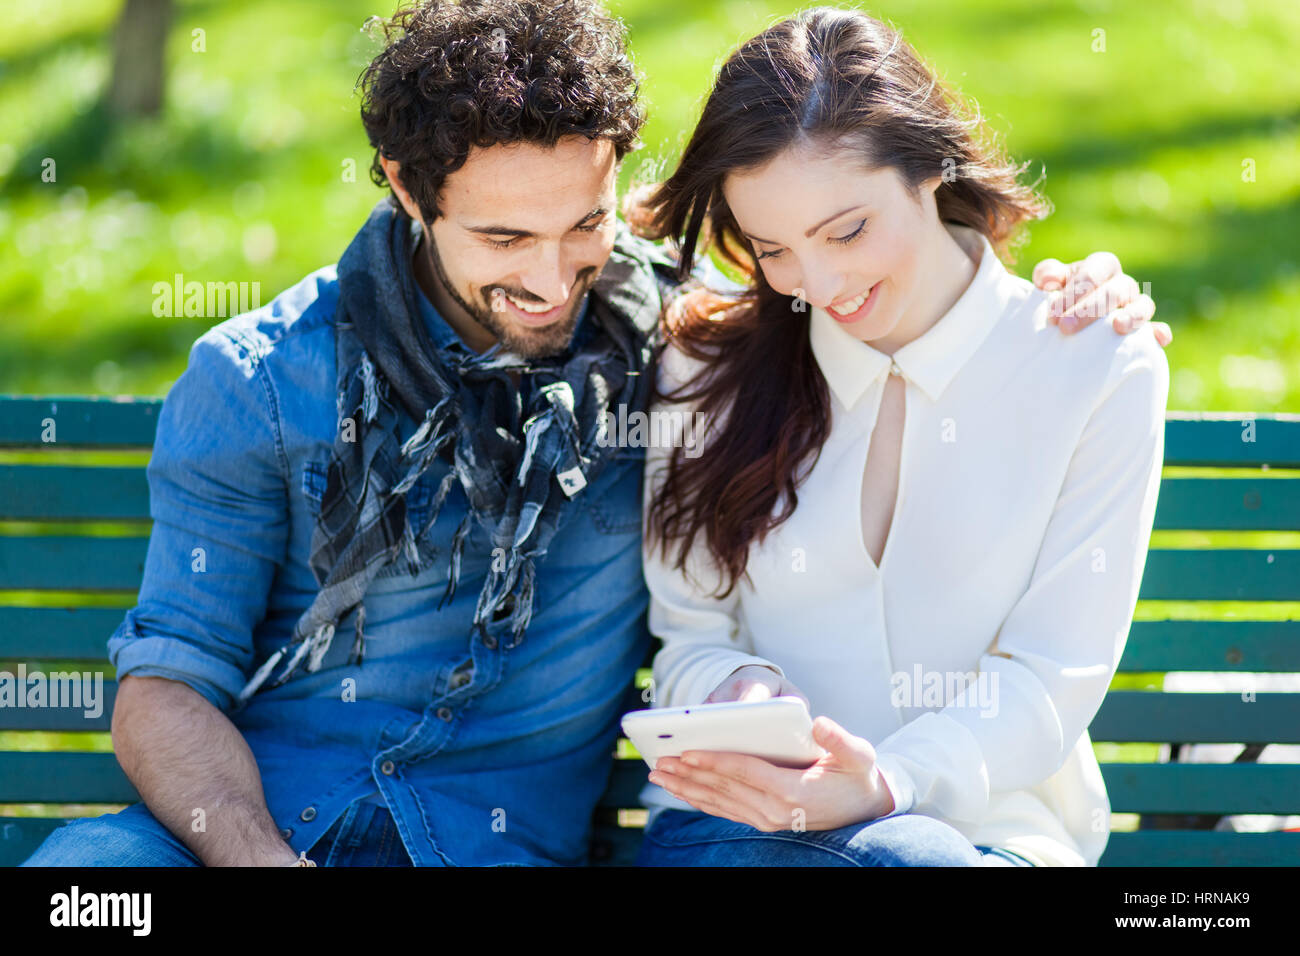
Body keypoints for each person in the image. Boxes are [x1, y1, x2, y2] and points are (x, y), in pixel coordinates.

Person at [21, 0, 1162, 868]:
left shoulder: (660, 343)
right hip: (268, 813)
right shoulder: (265, 380)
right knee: (84, 884)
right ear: (404, 192)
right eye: (503, 236)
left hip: (498, 842)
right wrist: (249, 850)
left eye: (583, 226)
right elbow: (167, 675)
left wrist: (1077, 294)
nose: (550, 276)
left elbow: (876, 275)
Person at [633, 6, 1169, 867]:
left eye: (848, 230)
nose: (820, 283)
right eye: (774, 250)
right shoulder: (705, 367)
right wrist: (748, 701)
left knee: (911, 854)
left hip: (990, 835)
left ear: (929, 169)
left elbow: (1050, 673)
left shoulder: (1094, 368)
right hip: (744, 824)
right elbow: (694, 634)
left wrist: (885, 783)